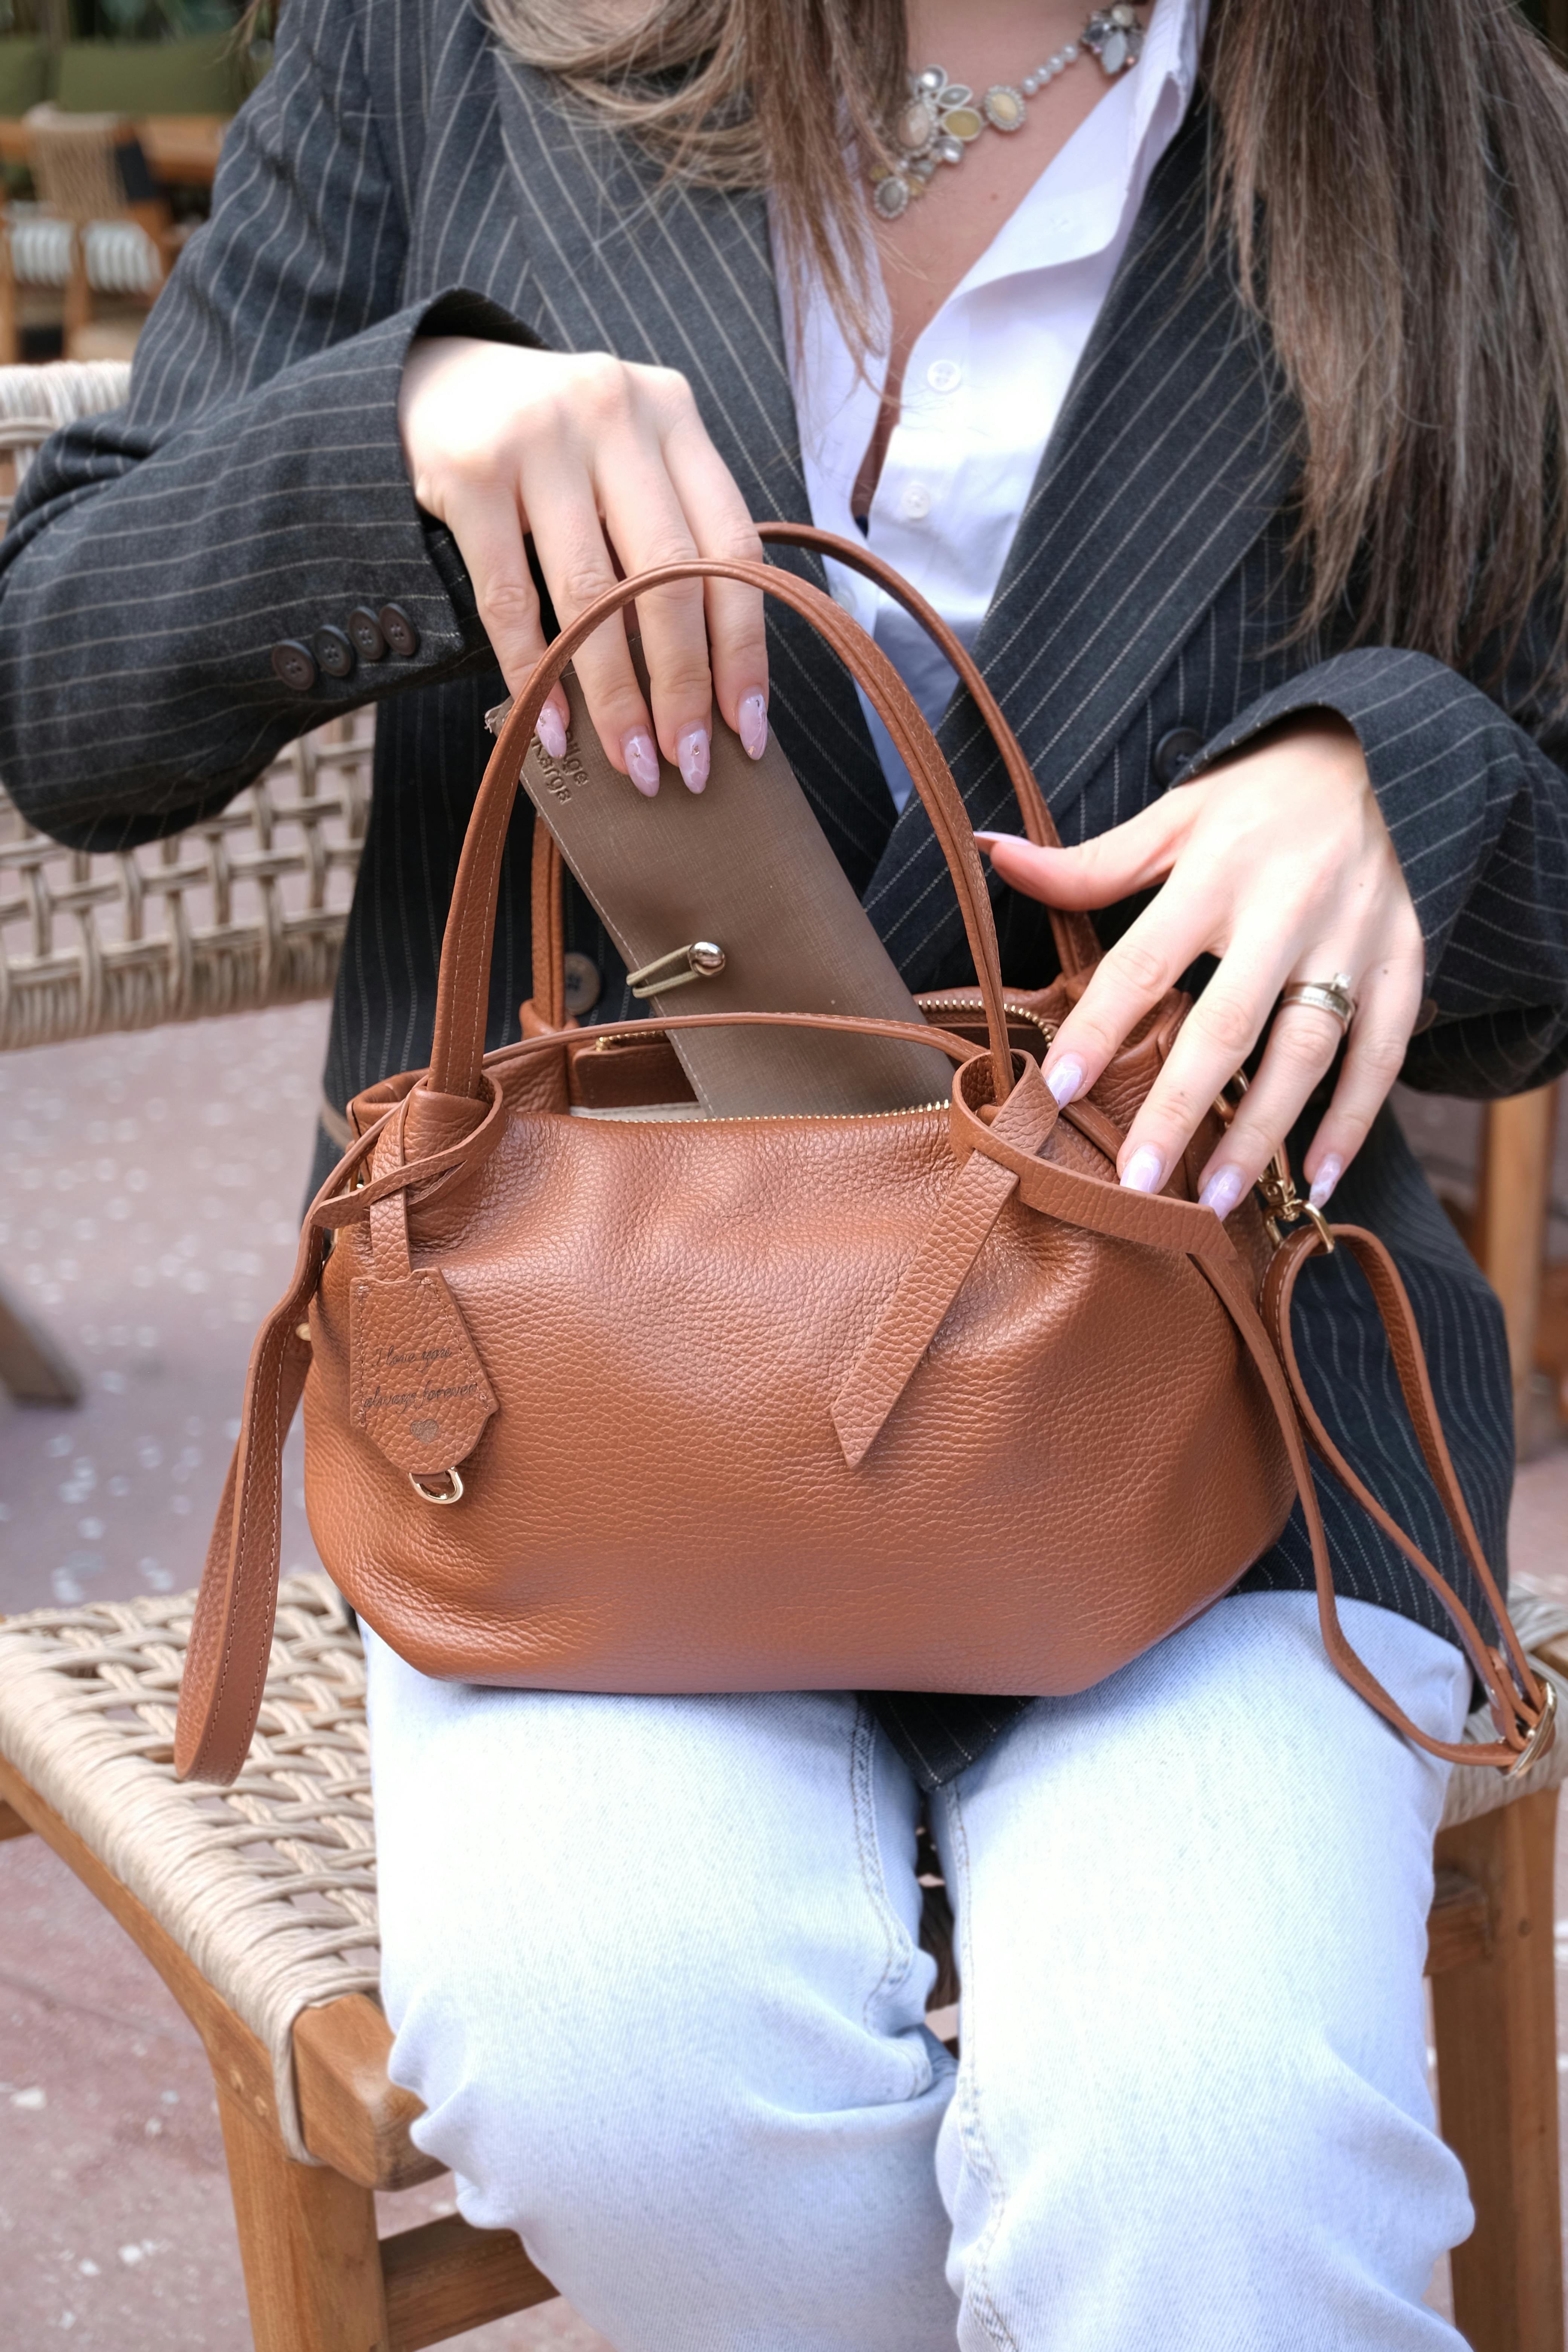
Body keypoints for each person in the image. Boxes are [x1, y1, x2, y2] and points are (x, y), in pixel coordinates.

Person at [3, 0, 1567, 2341]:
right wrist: (406, 437)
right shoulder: (451, 35)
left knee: (1216, 2165)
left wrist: (1398, 782)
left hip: (1220, 1383)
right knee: (623, 2074)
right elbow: (62, 679)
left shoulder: (1463, 120)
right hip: (589, 1385)